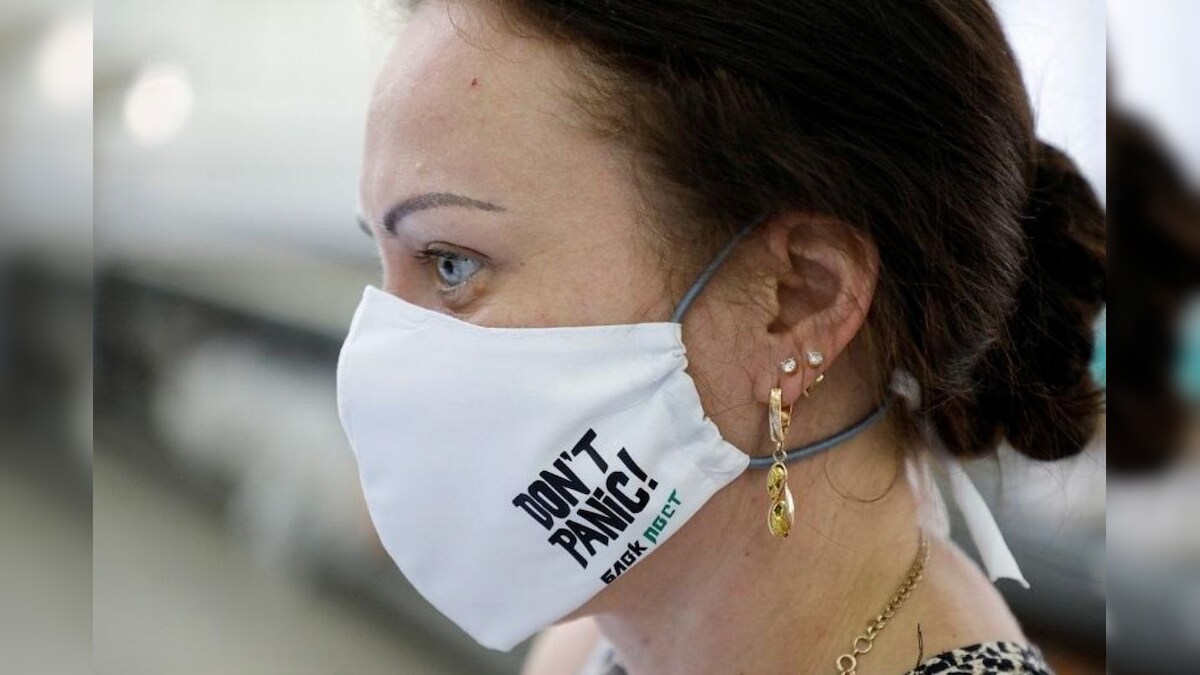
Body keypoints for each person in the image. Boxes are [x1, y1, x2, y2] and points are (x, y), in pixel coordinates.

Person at [344, 1, 1105, 673]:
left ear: (797, 299)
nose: (378, 357)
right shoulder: (599, 646)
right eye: (383, 262)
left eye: (451, 262)